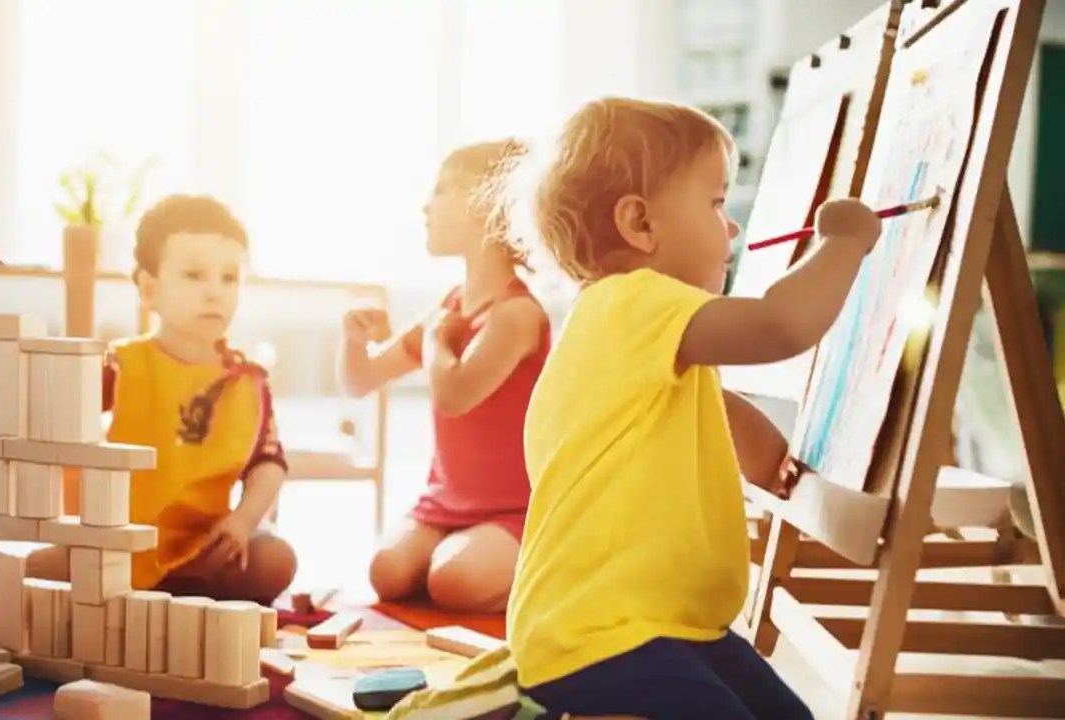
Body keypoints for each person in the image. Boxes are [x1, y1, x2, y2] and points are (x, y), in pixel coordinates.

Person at [506, 97, 881, 718]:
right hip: (601, 634)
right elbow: (780, 326)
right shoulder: (632, 301)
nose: (731, 228)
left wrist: (773, 461)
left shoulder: (629, 331)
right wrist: (844, 243)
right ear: (639, 223)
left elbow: (715, 411)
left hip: (669, 625)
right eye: (716, 203)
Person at [28, 194, 296, 605]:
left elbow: (269, 464)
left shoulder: (248, 381)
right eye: (194, 275)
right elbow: (59, 420)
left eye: (228, 278)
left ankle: (175, 593)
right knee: (32, 568)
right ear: (150, 289)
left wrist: (243, 522)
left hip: (202, 547)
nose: (215, 292)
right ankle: (155, 594)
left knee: (275, 559)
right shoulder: (120, 363)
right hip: (117, 543)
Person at [341, 139, 550, 613]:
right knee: (387, 572)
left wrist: (435, 339)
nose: (426, 206)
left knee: (452, 580)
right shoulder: (449, 309)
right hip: (444, 505)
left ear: (485, 205)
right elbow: (360, 380)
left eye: (441, 191)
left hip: (512, 511)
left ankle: (545, 571)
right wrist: (353, 340)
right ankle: (463, 559)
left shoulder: (516, 314)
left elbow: (455, 394)